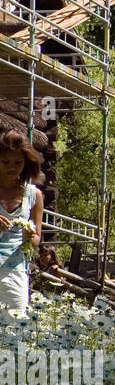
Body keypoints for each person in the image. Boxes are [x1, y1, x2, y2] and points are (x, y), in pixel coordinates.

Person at [0, 130, 42, 318]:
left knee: (16, 327)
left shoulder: (34, 195)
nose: (12, 167)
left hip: (15, 270)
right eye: (5, 162)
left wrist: (30, 237)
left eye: (18, 162)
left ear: (26, 163)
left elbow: (36, 238)